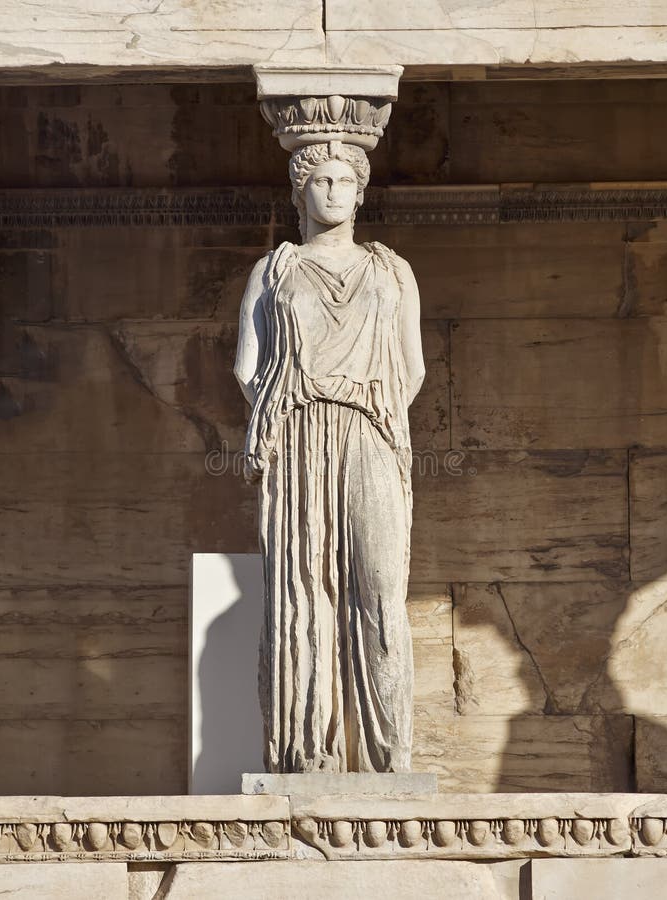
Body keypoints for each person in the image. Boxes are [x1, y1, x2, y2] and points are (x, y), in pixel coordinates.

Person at [234, 139, 425, 773]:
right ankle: (303, 751)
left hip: (369, 430)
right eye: (320, 181)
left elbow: (414, 367)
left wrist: (365, 405)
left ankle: (386, 752)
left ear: (361, 190)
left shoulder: (391, 270)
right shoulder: (275, 269)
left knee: (377, 583)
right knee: (300, 587)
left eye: (345, 180)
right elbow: (247, 367)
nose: (333, 191)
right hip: (296, 434)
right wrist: (293, 408)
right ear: (299, 192)